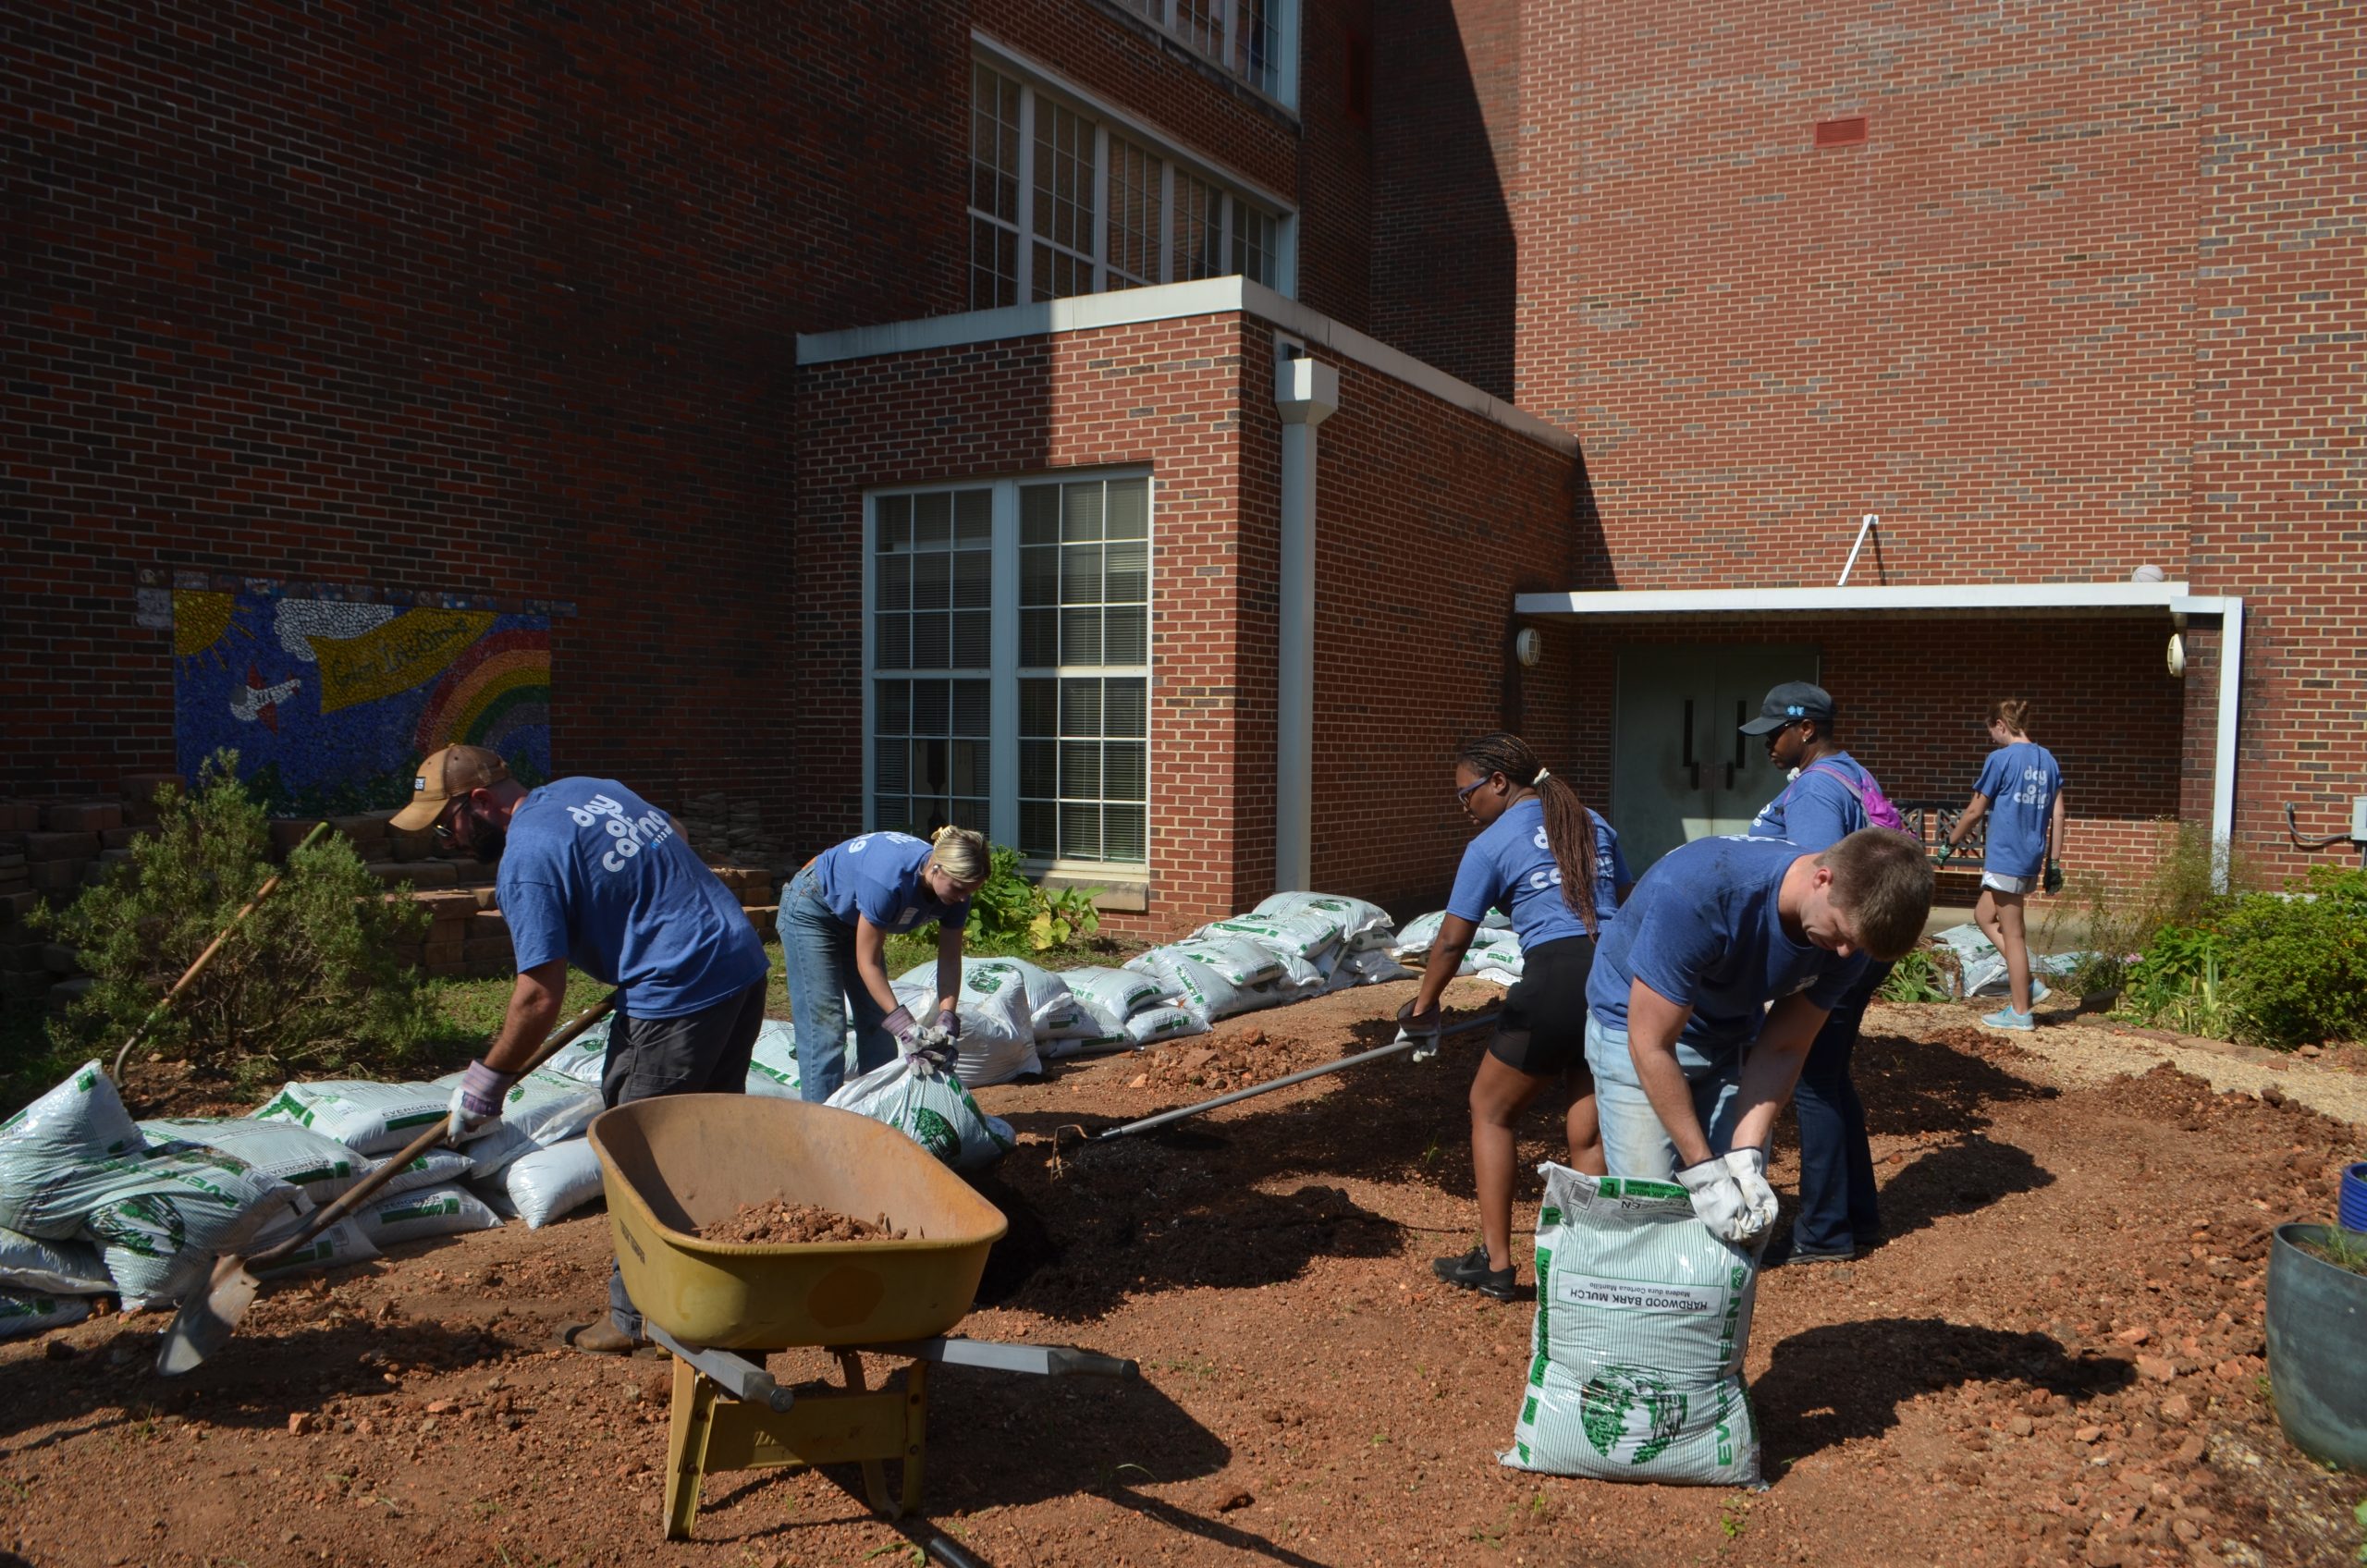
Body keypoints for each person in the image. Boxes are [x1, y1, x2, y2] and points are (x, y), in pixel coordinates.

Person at [392, 743, 769, 1354]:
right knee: (702, 1140)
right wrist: (645, 905)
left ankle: (637, 1319)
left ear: (481, 802)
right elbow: (673, 829)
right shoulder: (588, 789)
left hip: (678, 991)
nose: (447, 839)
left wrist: (488, 1081)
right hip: (738, 962)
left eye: (448, 823)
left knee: (636, 1154)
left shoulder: (528, 860)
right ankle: (716, 1296)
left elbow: (538, 996)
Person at [1583, 828, 1933, 1243]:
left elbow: (1785, 1044)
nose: (1843, 954)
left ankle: (1712, 1306)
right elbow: (1651, 1044)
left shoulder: (1848, 942)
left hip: (1729, 1028)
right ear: (1823, 879)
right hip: (1636, 1026)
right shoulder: (1701, 893)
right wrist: (1702, 1171)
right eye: (1841, 933)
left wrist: (1744, 1155)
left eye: (1856, 946)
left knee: (1737, 1212)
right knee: (1653, 1208)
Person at [1397, 733, 1630, 1301]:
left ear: (1498, 783)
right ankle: (1591, 1268)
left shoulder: (1492, 843)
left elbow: (1453, 940)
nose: (1465, 808)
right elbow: (1627, 900)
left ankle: (1497, 1265)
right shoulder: (1592, 822)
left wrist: (1423, 1007)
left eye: (1466, 794)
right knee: (1587, 1128)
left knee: (1491, 1109)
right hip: (1617, 974)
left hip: (1555, 976)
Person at [1740, 681, 1894, 1264]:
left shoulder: (1814, 793)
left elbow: (1819, 888)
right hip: (1860, 949)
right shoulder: (1851, 773)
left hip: (1835, 952)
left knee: (1811, 1082)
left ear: (1805, 729)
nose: (1767, 745)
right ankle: (1856, 1217)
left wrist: (1795, 971)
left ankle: (1825, 1232)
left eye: (1774, 733)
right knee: (1829, 1078)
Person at [779, 827, 988, 1103]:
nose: (963, 898)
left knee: (878, 1026)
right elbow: (869, 963)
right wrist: (905, 1026)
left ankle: (874, 1119)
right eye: (960, 888)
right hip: (814, 910)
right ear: (936, 868)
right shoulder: (889, 881)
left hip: (855, 916)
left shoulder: (956, 893)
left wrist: (947, 1017)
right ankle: (820, 1128)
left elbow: (949, 958)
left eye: (970, 891)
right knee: (826, 1030)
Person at [1940, 700, 2067, 1033]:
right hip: (2030, 857)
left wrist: (1949, 843)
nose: (1991, 739)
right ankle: (2029, 985)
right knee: (1983, 917)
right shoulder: (2048, 759)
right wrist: (2054, 862)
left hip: (2007, 856)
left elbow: (1973, 811)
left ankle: (2021, 1012)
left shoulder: (2001, 759)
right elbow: (2058, 813)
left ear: (2000, 724)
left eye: (1991, 732)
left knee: (2013, 934)